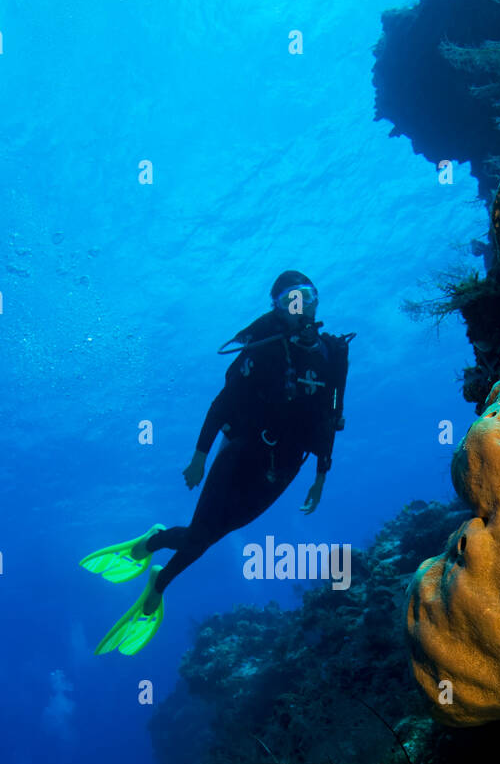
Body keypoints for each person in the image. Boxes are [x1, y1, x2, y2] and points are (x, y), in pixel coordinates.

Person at [81, 271, 353, 654]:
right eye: (291, 298)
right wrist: (199, 457)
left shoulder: (333, 354)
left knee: (210, 535)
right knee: (199, 533)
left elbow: (330, 419)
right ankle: (154, 559)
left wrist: (321, 475)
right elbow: (222, 403)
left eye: (307, 296)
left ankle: (157, 572)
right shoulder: (263, 348)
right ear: (277, 307)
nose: (301, 305)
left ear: (317, 301)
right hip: (240, 452)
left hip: (285, 468)